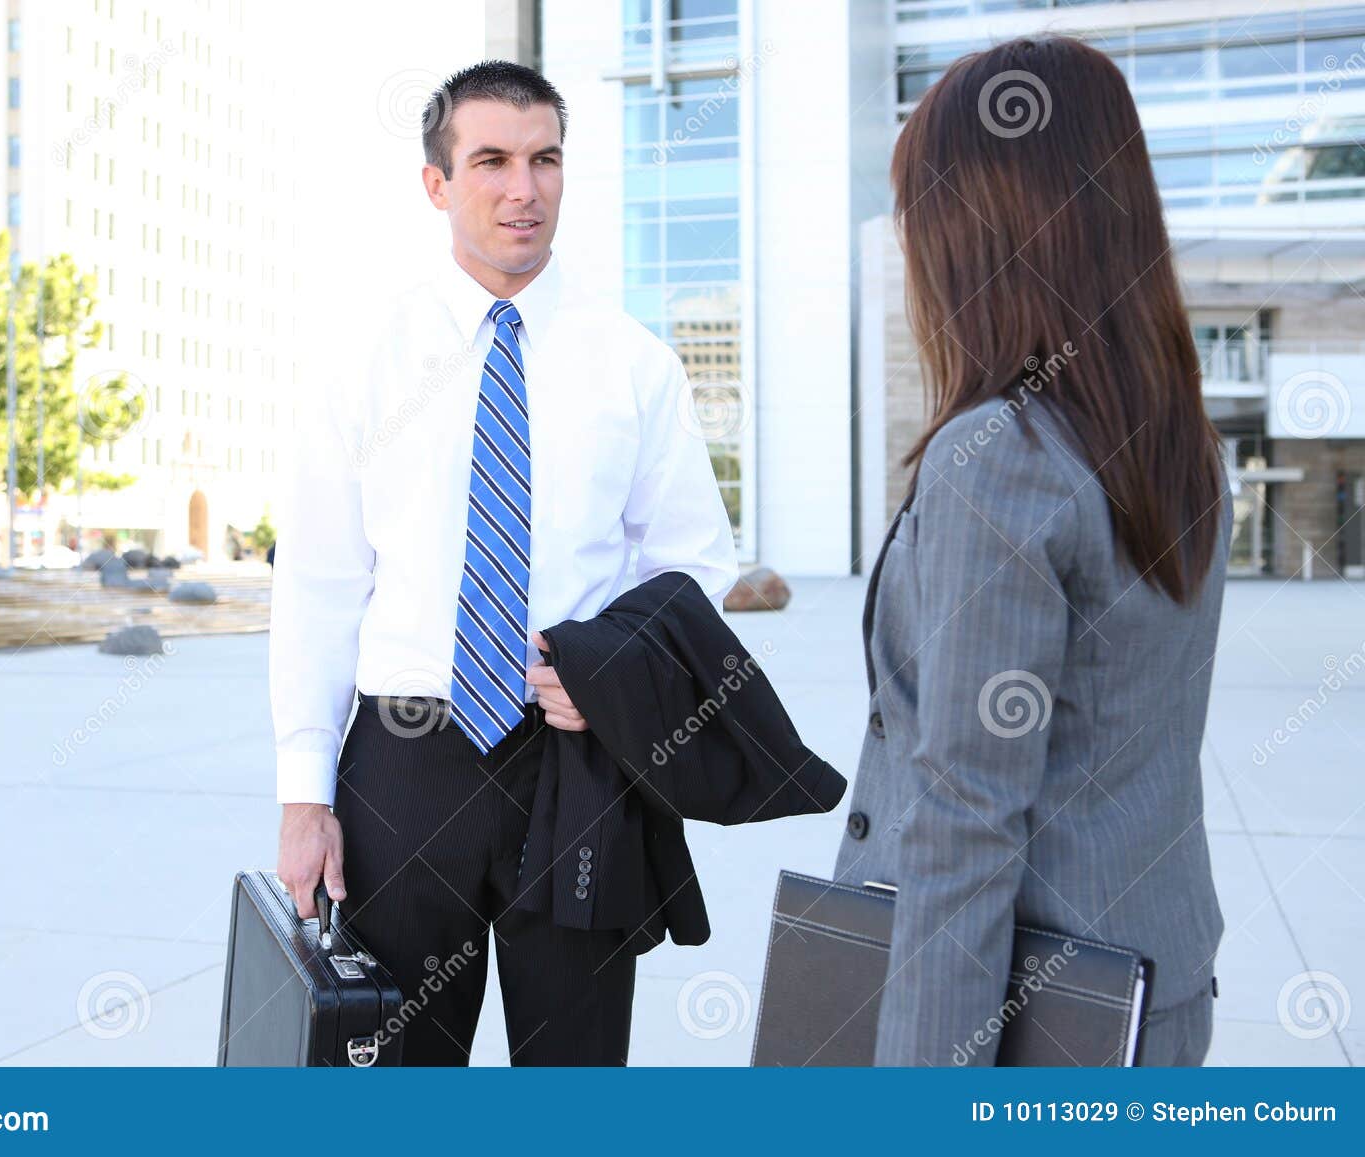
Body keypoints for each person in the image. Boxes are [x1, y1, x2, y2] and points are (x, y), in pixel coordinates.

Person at [267, 60, 737, 1065]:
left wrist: (615, 668)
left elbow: (696, 559)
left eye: (544, 159)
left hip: (579, 761)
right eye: (490, 161)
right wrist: (304, 795)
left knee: (575, 1071)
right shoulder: (363, 365)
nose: (522, 188)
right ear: (437, 184)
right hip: (402, 768)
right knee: (394, 1073)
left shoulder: (633, 364)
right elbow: (315, 587)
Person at [833, 36, 1230, 1066]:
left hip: (1019, 1018)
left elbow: (966, 820)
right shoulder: (1176, 438)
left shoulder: (996, 457)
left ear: (984, 230)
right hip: (1152, 988)